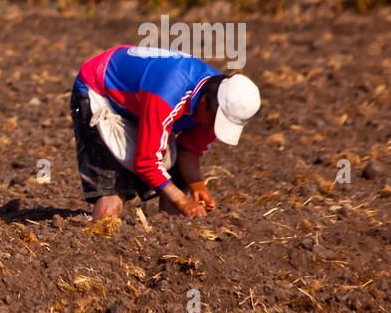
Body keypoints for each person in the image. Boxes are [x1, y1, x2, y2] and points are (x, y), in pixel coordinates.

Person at [69, 45, 261, 220]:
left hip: (140, 102)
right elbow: (146, 161)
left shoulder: (218, 99)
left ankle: (170, 234)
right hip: (100, 92)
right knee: (113, 193)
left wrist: (197, 185)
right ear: (204, 104)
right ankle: (102, 238)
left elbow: (190, 148)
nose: (214, 129)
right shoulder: (169, 93)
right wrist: (182, 201)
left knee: (179, 186)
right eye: (215, 122)